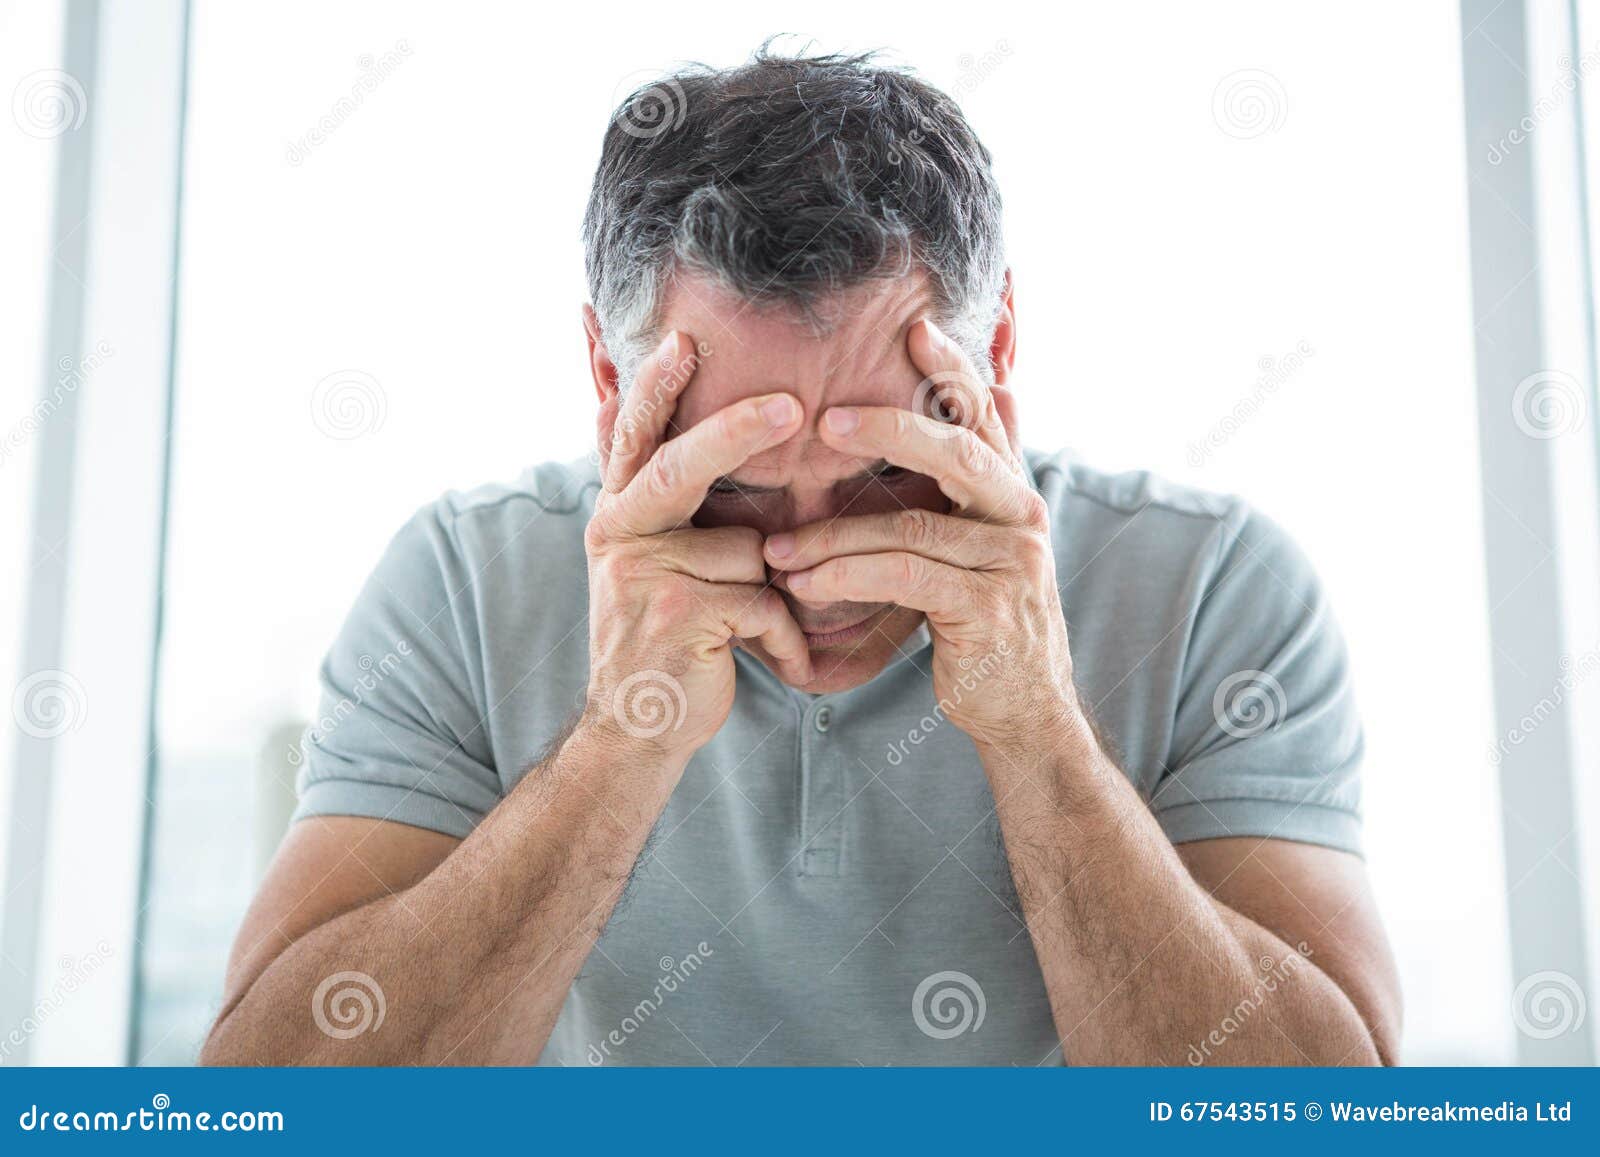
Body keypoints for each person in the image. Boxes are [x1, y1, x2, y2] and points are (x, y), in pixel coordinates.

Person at [201, 47, 1400, 1066]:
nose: (814, 563)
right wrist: (622, 736)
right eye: (730, 489)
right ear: (613, 384)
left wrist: (1037, 728)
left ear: (999, 356)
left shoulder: (1215, 587)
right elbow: (269, 1102)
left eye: (884, 473)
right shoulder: (462, 580)